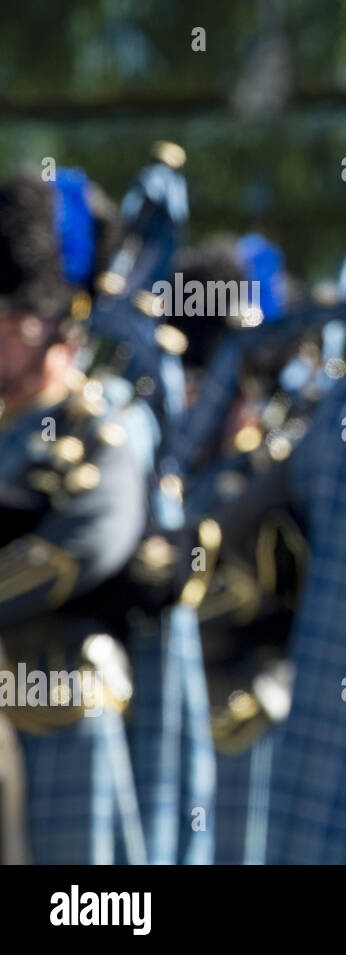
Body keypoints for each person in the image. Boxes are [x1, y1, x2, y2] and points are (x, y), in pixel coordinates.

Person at [0, 168, 152, 863]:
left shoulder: (103, 422)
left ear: (56, 325)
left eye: (15, 321)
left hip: (57, 706)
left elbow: (86, 541)